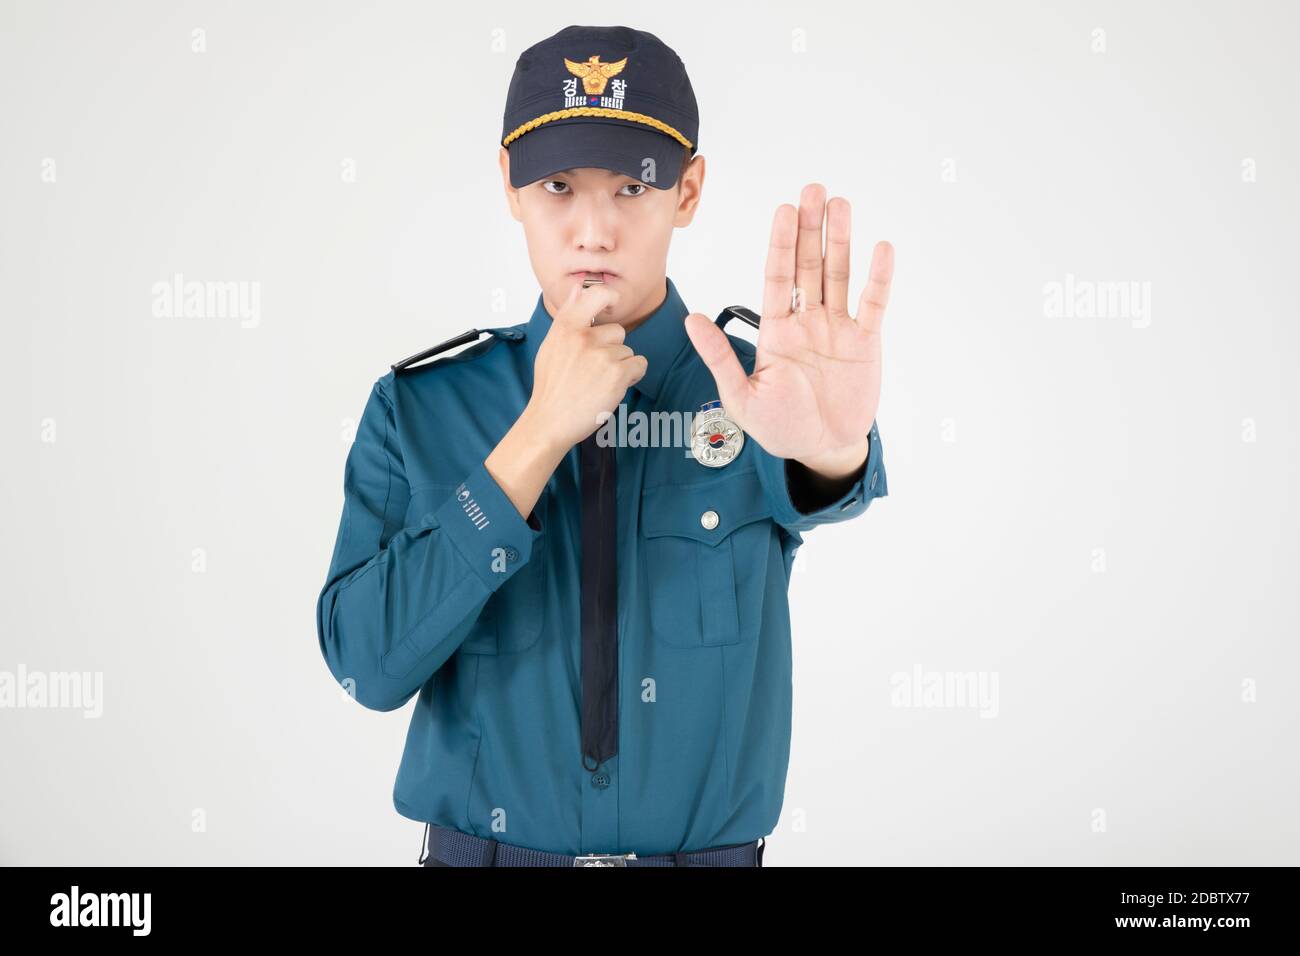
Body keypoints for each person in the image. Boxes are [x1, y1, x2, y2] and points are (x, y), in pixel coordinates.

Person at [315, 23, 894, 867]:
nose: (594, 231)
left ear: (688, 192)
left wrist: (833, 449)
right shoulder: (419, 409)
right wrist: (537, 435)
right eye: (558, 186)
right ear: (510, 186)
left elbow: (820, 470)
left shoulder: (758, 391)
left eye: (632, 187)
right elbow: (367, 666)